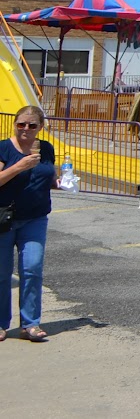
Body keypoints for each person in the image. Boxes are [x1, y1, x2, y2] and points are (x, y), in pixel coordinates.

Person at [1, 106, 59, 342]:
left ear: (40, 127)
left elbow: (50, 177)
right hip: (4, 219)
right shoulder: (4, 147)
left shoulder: (46, 148)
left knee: (32, 270)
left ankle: (30, 324)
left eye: (32, 125)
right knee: (2, 274)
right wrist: (19, 167)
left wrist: (62, 181)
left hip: (35, 218)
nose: (26, 129)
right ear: (14, 124)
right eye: (21, 124)